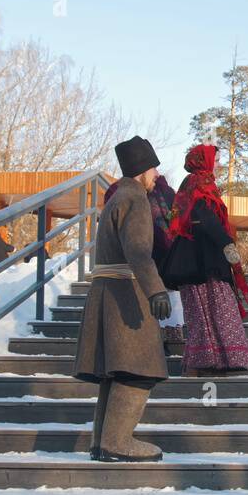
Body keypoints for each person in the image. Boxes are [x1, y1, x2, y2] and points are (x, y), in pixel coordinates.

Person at [73, 135, 172, 461]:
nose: (157, 175)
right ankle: (118, 442)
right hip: (126, 293)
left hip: (107, 291)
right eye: (154, 168)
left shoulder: (116, 198)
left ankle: (101, 441)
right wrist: (156, 289)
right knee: (139, 366)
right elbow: (139, 252)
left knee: (115, 369)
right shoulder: (136, 199)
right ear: (142, 170)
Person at [168, 144, 248, 376]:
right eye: (214, 159)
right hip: (200, 260)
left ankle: (211, 359)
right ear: (204, 162)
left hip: (199, 258)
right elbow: (203, 216)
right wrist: (226, 243)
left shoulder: (196, 184)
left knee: (208, 310)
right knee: (211, 307)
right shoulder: (199, 185)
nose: (217, 163)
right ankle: (209, 360)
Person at [104, 174, 186, 344]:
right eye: (153, 168)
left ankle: (159, 338)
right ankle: (165, 337)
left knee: (153, 296)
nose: (156, 173)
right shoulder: (153, 193)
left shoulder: (119, 191)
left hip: (149, 252)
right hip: (158, 252)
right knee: (159, 296)